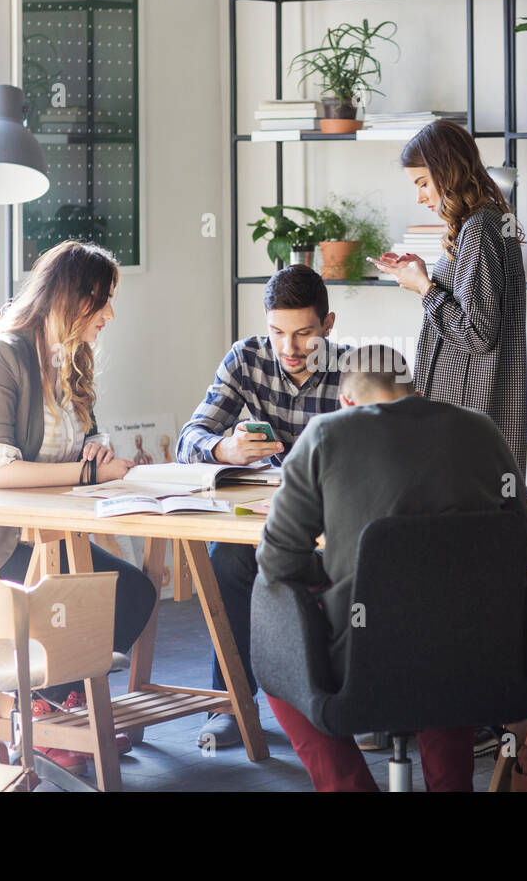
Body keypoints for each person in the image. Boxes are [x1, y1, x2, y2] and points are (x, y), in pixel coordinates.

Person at [256, 345, 527, 792]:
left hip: (363, 663)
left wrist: (336, 570)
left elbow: (277, 562)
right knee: (444, 618)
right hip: (485, 662)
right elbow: (526, 548)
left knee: (271, 626)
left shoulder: (326, 435)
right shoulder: (481, 430)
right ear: (418, 393)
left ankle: (348, 786)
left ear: (346, 402)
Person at [0, 239, 157, 772]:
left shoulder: (74, 359)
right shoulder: (2, 354)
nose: (108, 315)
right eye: (101, 300)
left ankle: (62, 709)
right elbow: (0, 471)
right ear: (70, 298)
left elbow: (82, 440)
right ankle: (50, 713)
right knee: (79, 603)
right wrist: (88, 470)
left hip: (49, 541)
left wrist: (94, 449)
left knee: (134, 593)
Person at [176, 264, 349, 748]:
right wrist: (224, 449)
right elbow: (190, 438)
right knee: (225, 558)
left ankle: (350, 699)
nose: (289, 348)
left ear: (328, 326)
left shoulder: (355, 370)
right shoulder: (245, 359)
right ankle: (230, 702)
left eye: (304, 334)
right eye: (277, 332)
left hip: (332, 531)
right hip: (263, 526)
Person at [372, 119, 527, 475]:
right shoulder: (479, 224)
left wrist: (424, 288)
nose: (420, 196)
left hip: (466, 415)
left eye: (423, 183)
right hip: (463, 412)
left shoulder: (479, 228)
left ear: (448, 171)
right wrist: (423, 275)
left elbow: (477, 334)